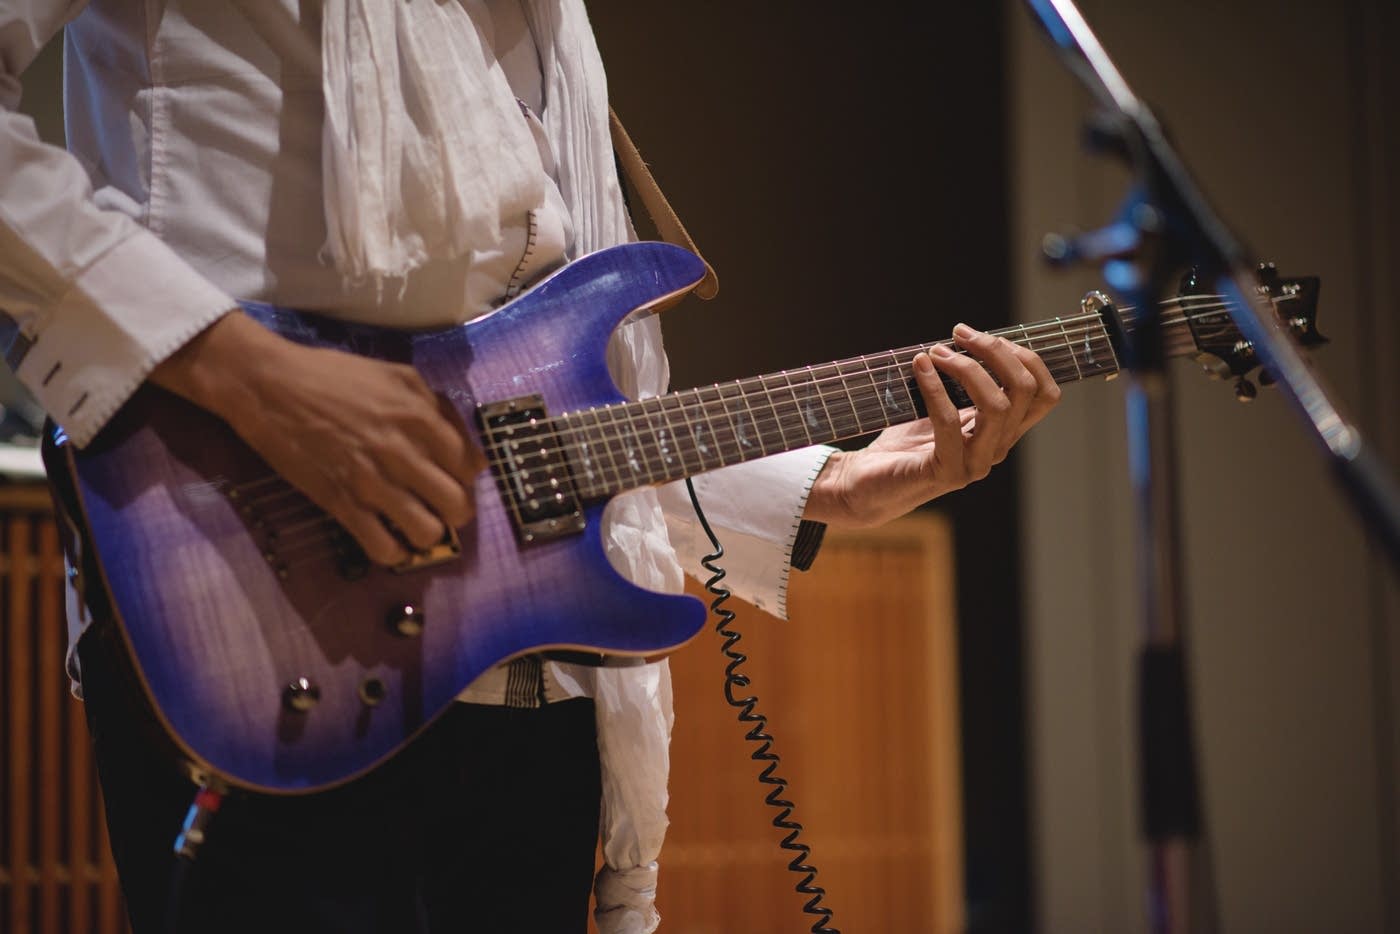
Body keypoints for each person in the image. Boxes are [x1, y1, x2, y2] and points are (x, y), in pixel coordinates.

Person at [0, 2, 1061, 932]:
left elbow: (530, 424)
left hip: (541, 697)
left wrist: (822, 486)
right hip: (269, 635)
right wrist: (247, 372)